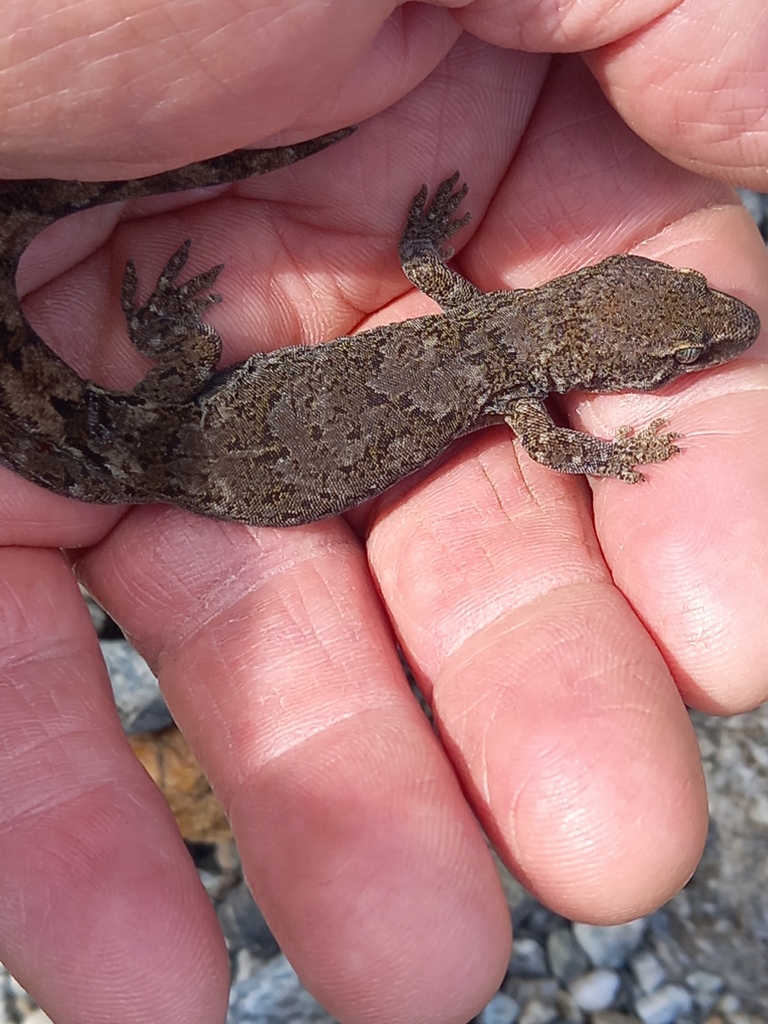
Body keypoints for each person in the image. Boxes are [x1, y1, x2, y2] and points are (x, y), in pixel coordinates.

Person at [1, 5, 766, 1023]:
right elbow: (552, 442)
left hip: (198, 432)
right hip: (221, 469)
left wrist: (411, 236)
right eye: (680, 350)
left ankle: (156, 333)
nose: (711, 341)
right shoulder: (515, 375)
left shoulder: (497, 321)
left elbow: (425, 264)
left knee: (165, 382)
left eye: (685, 347)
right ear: (602, 338)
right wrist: (620, 452)